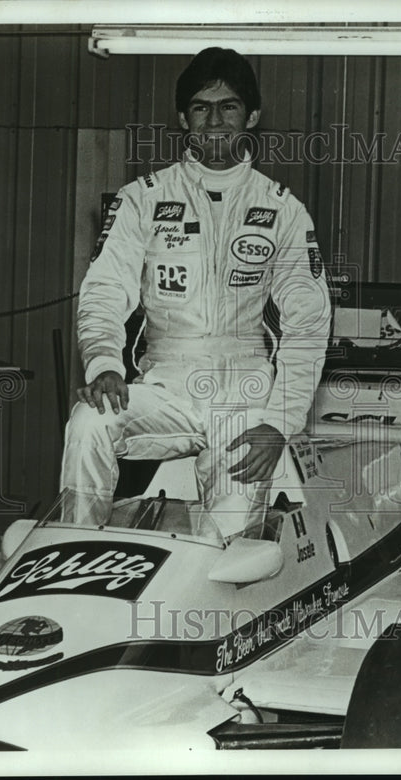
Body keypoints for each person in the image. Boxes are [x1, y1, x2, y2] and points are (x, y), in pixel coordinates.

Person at [60, 47, 331, 538]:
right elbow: (103, 292)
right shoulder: (142, 199)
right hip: (166, 386)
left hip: (246, 396)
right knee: (88, 422)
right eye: (201, 109)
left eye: (229, 107)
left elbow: (308, 323)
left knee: (225, 542)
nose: (215, 121)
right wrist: (103, 366)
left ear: (252, 117)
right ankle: (76, 547)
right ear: (184, 119)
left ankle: (221, 573)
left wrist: (279, 422)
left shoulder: (284, 210)